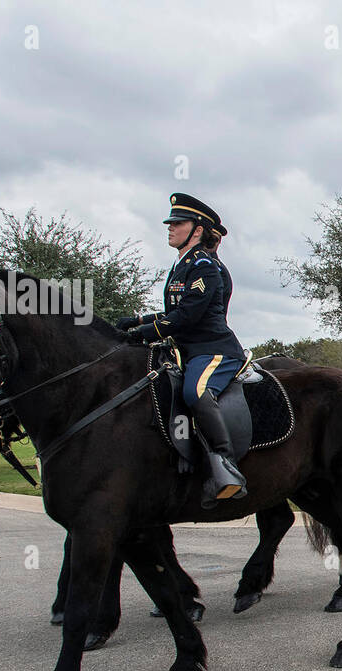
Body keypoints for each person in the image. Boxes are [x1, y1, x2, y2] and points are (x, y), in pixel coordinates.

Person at [119, 193, 247, 506]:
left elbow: (188, 316)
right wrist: (136, 321)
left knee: (196, 393)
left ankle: (224, 467)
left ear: (198, 230)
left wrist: (144, 333)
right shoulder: (181, 266)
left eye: (179, 223)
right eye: (171, 223)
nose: (170, 228)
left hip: (215, 351)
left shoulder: (205, 267)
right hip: (187, 352)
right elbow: (172, 312)